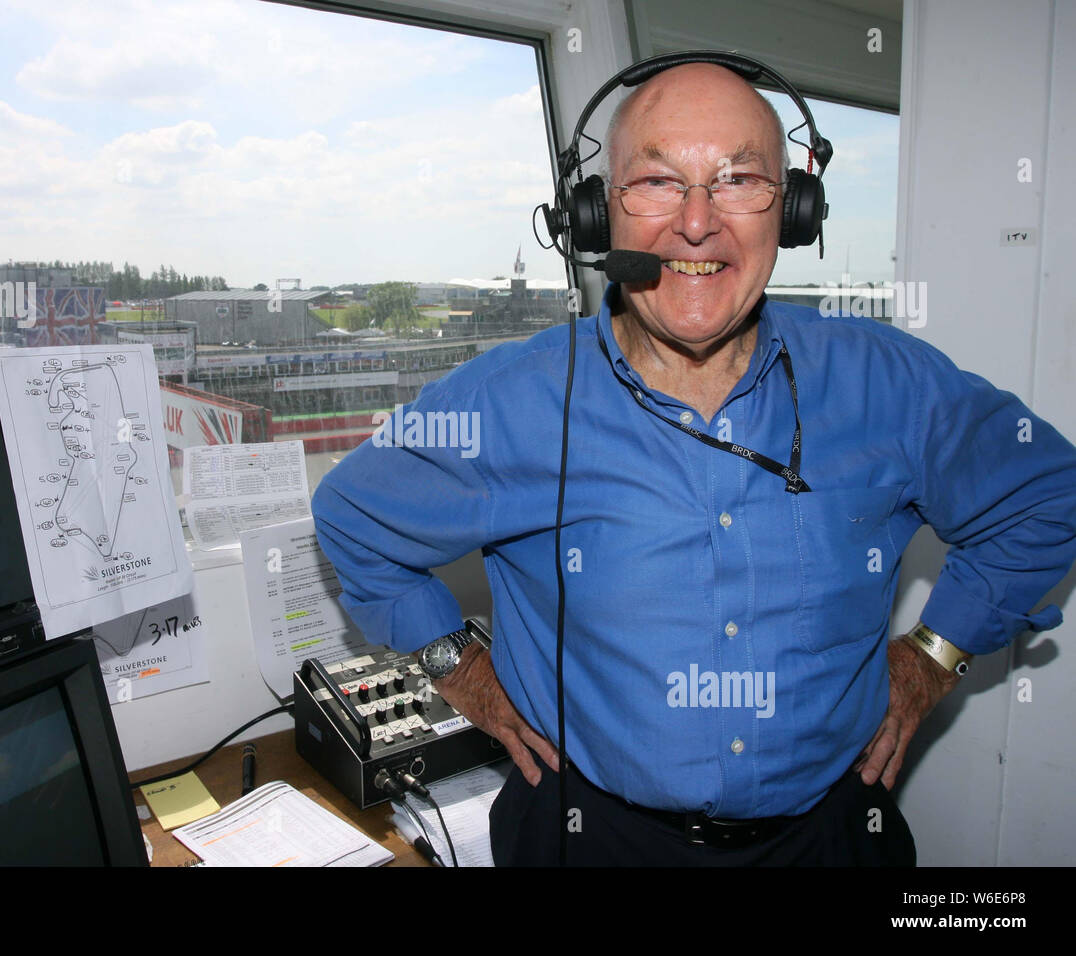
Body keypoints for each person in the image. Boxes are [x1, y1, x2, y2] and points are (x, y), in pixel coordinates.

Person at [311, 62, 1076, 865]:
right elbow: (354, 519)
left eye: (739, 179)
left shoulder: (892, 385)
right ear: (599, 214)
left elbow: (1048, 494)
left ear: (795, 212)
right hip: (591, 837)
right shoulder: (510, 403)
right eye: (658, 183)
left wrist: (936, 653)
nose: (697, 224)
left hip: (829, 840)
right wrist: (453, 665)